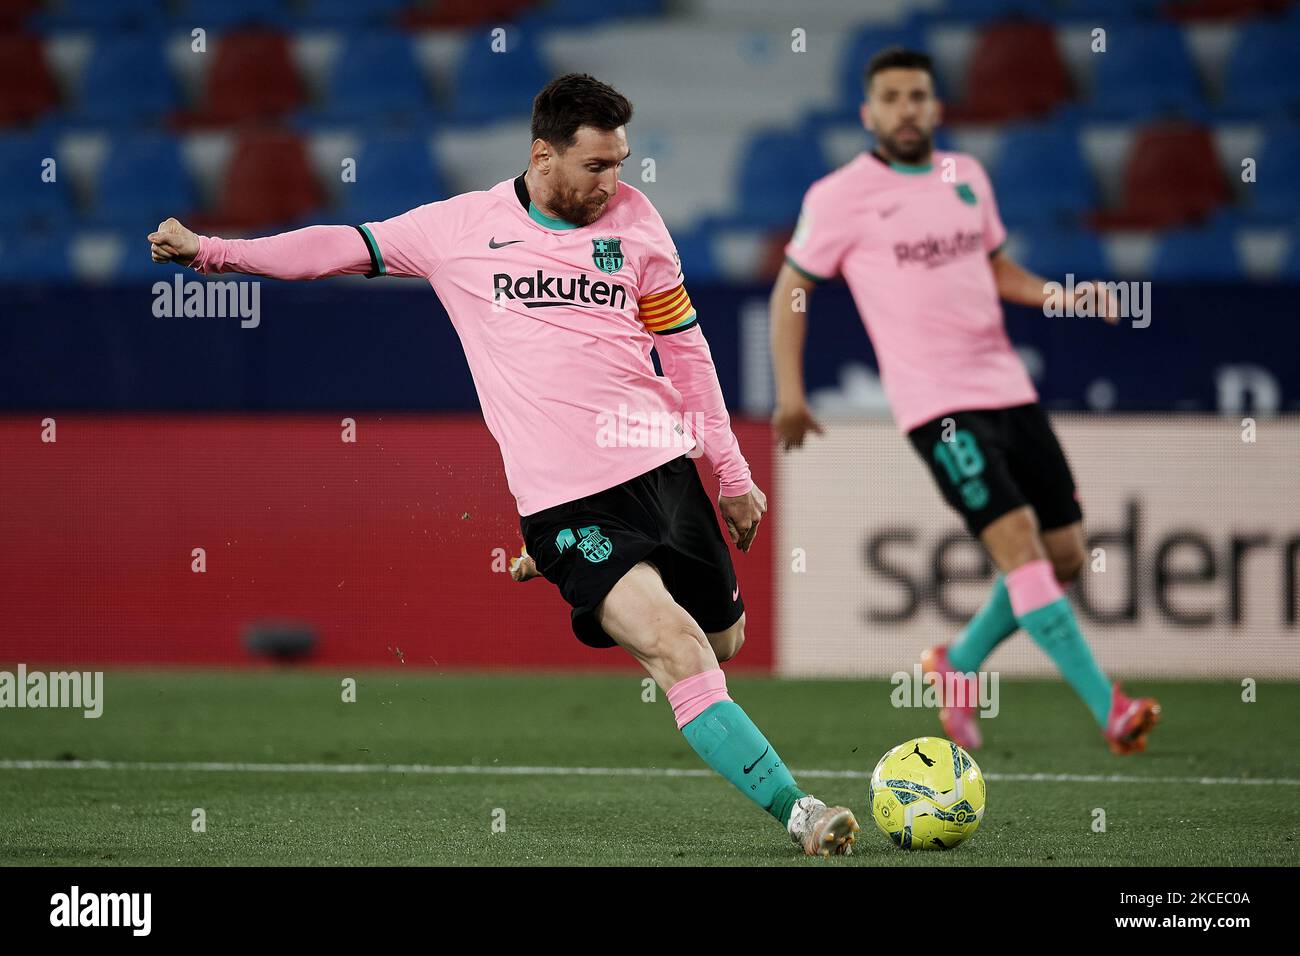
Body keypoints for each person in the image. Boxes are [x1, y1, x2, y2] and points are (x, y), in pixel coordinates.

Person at [150, 73, 858, 854]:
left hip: (663, 471)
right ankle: (803, 814)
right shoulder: (461, 227)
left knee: (722, 642)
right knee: (680, 653)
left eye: (620, 163)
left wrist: (729, 472)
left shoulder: (640, 225)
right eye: (596, 166)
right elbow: (342, 247)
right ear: (543, 156)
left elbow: (687, 355)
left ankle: (566, 564)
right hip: (567, 501)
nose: (612, 182)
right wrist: (215, 252)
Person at [769, 48, 1159, 755]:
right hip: (936, 405)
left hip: (1008, 389)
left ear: (936, 107)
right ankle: (1111, 707)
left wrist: (1060, 296)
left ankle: (958, 664)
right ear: (869, 113)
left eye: (918, 95)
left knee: (1066, 555)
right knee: (1021, 553)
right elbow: (791, 289)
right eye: (891, 97)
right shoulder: (840, 196)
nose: (907, 108)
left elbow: (998, 269)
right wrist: (790, 395)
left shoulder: (967, 177)